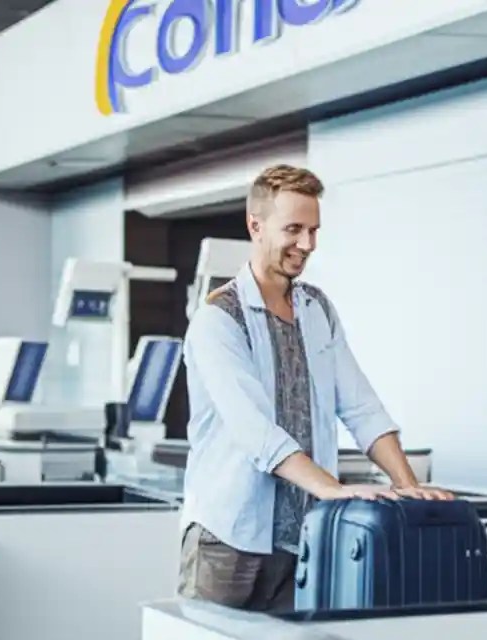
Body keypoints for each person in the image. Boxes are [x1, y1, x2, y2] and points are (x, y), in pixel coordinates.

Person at [178, 164, 453, 611]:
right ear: (256, 225)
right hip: (226, 539)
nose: (307, 244)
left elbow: (361, 406)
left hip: (304, 535)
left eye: (314, 230)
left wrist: (405, 485)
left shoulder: (317, 309)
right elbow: (256, 433)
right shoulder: (219, 318)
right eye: (294, 229)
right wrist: (332, 488)